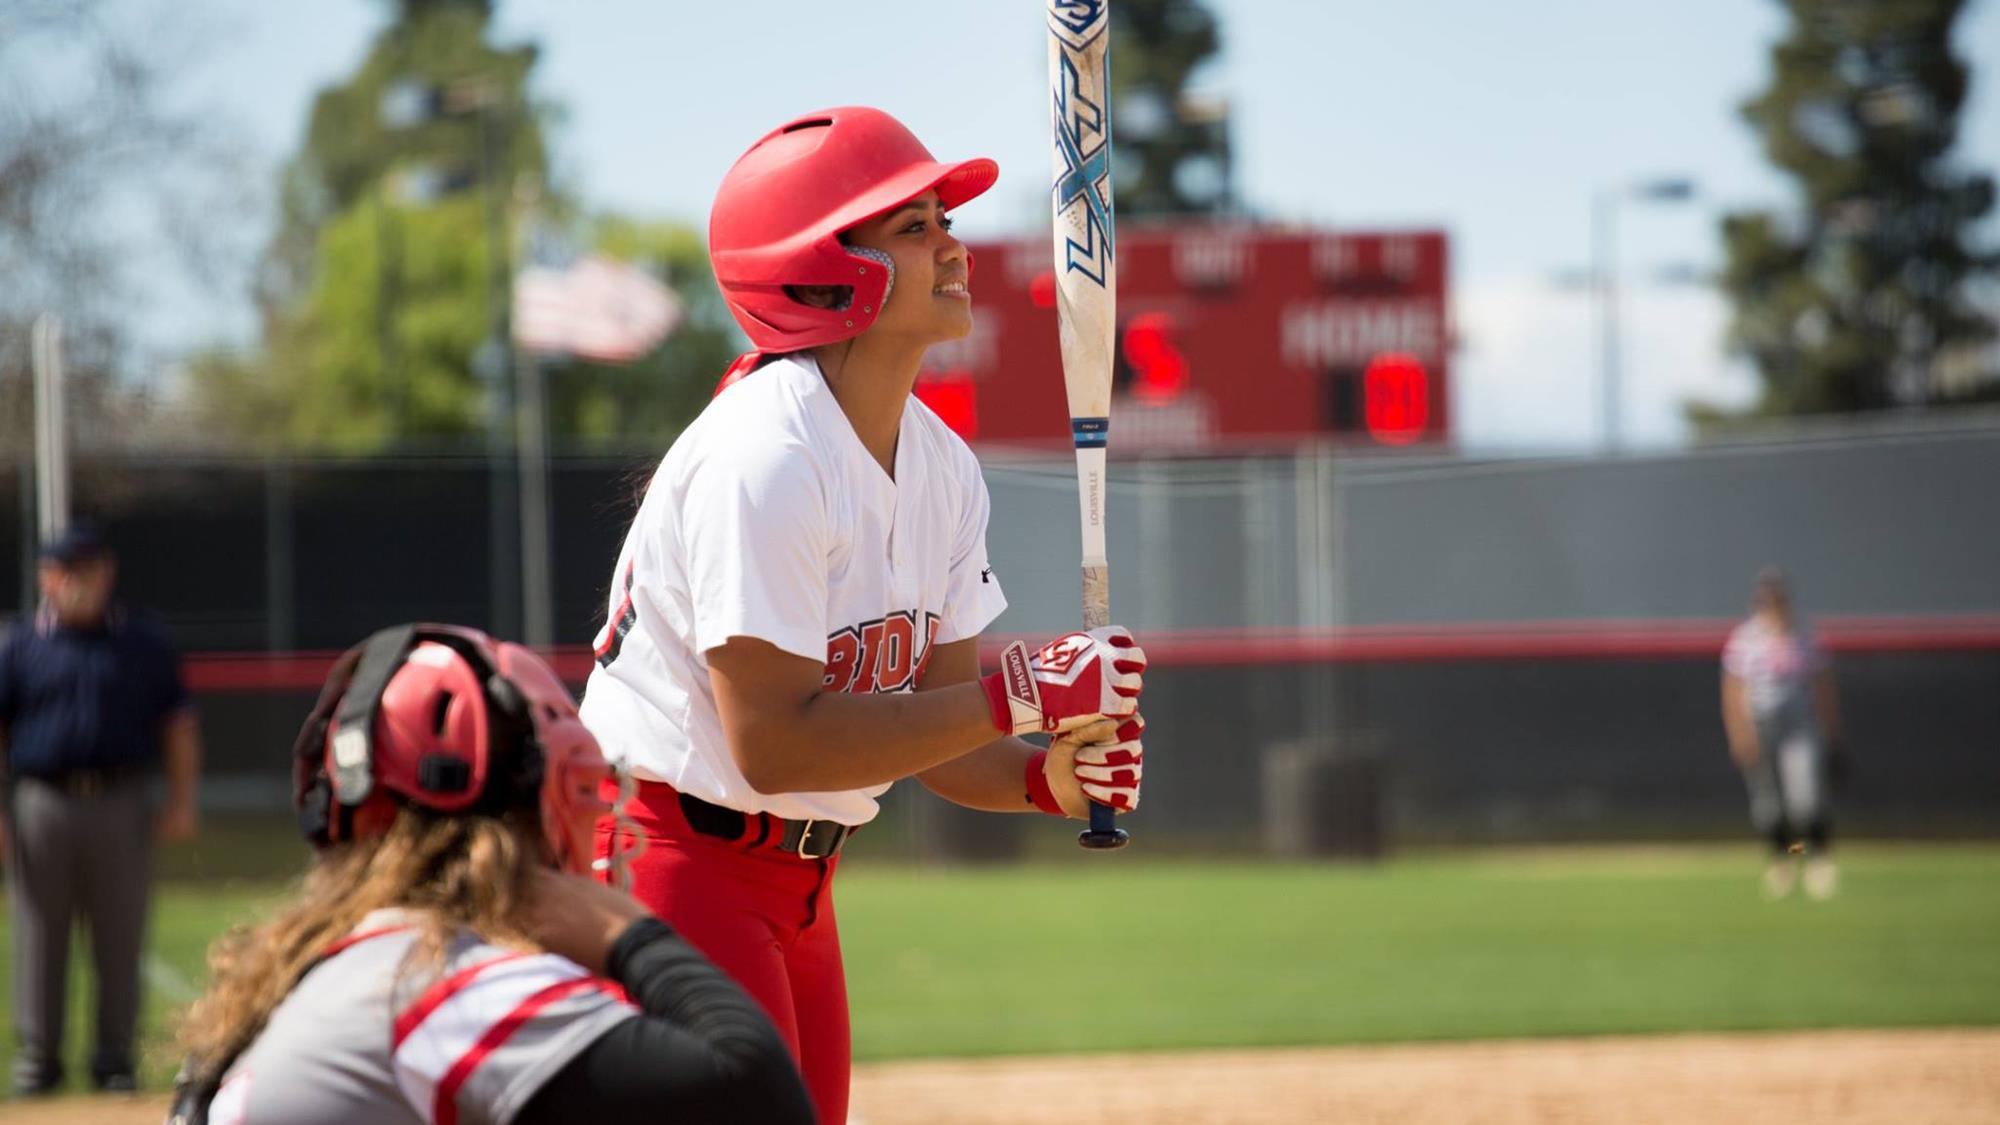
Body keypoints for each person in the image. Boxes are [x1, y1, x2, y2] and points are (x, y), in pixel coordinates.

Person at [581, 105, 1148, 1125]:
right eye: (913, 226)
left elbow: (939, 728)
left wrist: (1042, 778)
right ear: (819, 269)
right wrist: (1024, 693)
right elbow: (774, 747)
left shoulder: (941, 466)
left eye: (943, 220)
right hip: (664, 856)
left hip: (797, 883)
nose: (952, 245)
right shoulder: (765, 456)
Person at [170, 623, 814, 1125]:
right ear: (538, 806)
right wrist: (627, 933)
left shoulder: (332, 965)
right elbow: (756, 1099)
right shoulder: (441, 981)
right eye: (581, 791)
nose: (597, 817)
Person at [0, 523, 202, 1096]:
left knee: (121, 932)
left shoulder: (141, 641)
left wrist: (182, 800)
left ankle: (115, 1058)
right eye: (66, 571)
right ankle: (39, 1060)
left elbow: (177, 725)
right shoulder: (19, 644)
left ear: (107, 573)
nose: (77, 582)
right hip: (42, 800)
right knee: (40, 930)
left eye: (87, 570)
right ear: (46, 577)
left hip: (122, 797)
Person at [1721, 567, 1845, 900]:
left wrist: (1832, 732)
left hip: (1798, 725)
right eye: (1767, 600)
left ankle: (1814, 857)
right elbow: (1733, 690)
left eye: (1778, 599)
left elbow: (1823, 685)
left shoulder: (1804, 635)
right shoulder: (1746, 638)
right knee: (1769, 806)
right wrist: (1739, 734)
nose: (1773, 605)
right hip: (1761, 727)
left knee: (1804, 801)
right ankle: (1783, 861)